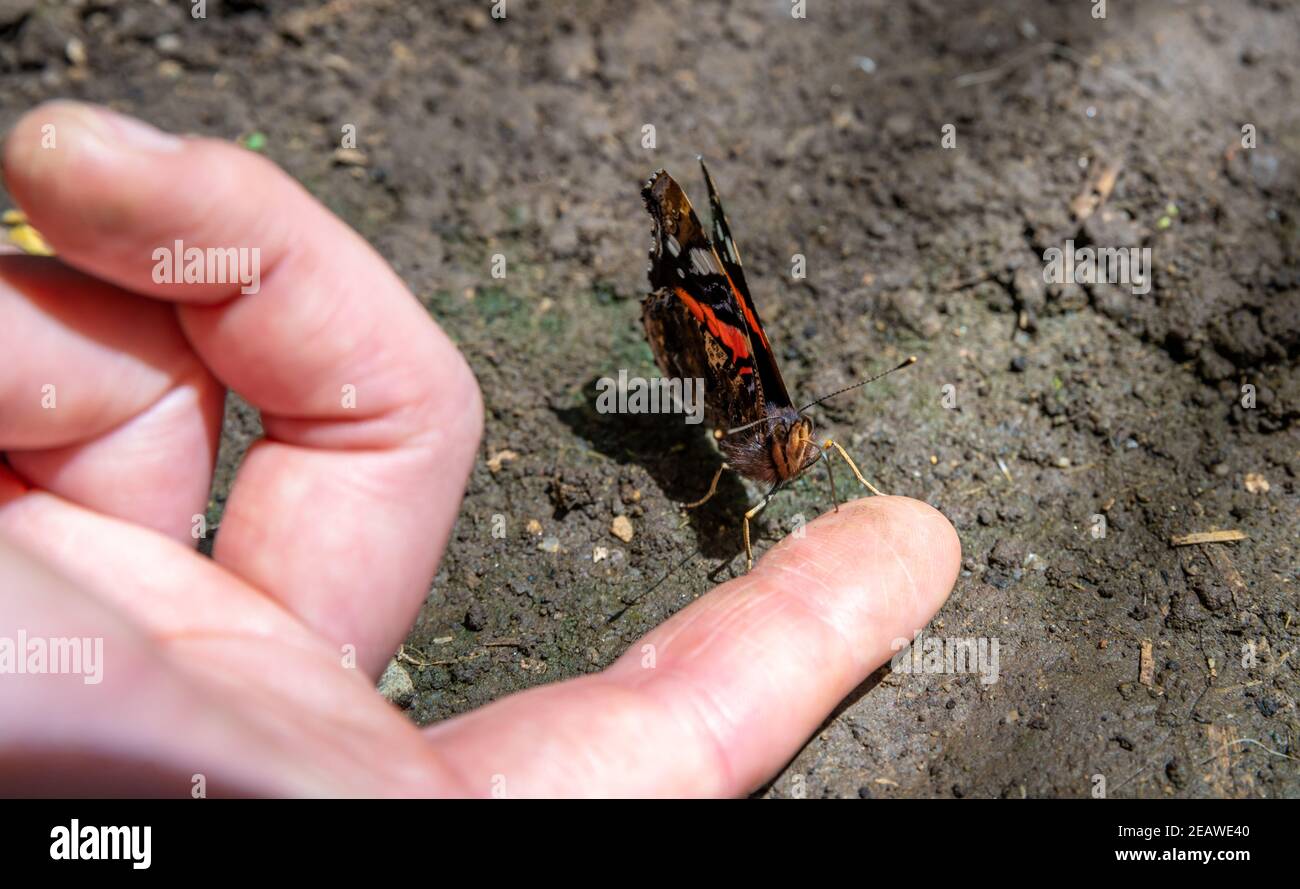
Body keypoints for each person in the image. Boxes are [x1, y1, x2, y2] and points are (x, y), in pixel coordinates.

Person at [0, 102, 959, 797]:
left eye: (801, 441)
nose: (804, 441)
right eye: (795, 436)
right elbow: (719, 321)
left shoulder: (785, 431)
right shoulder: (748, 406)